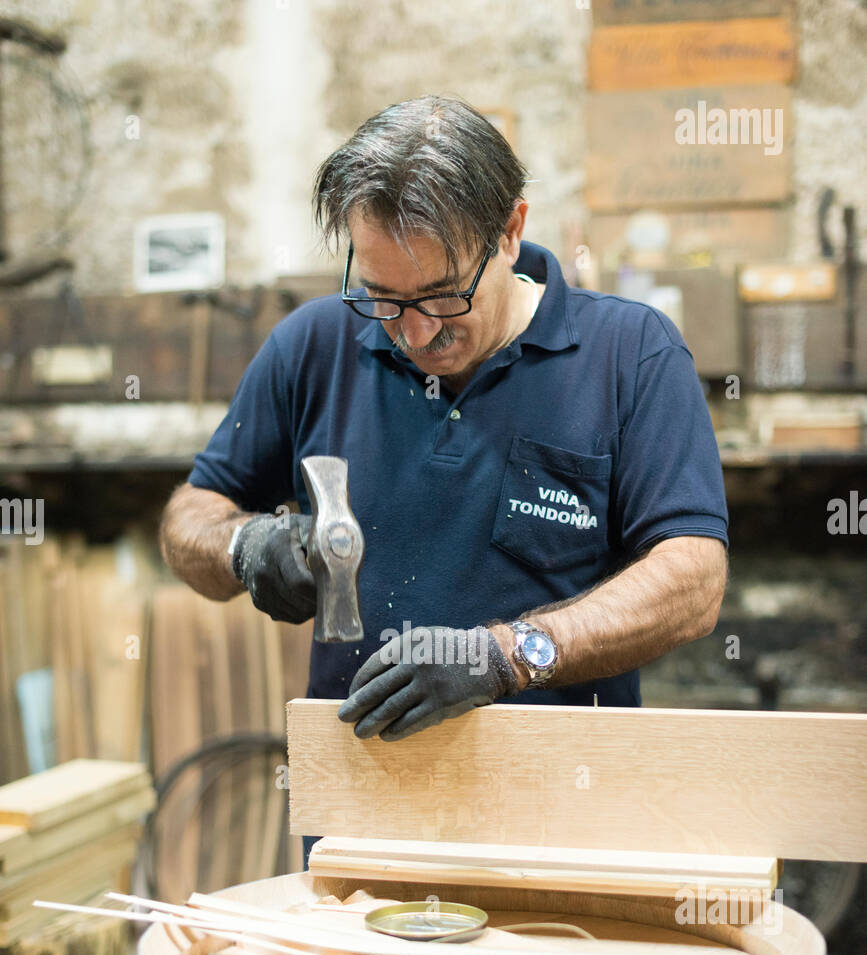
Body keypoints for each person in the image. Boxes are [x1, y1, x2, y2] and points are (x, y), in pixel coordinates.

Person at [161, 95, 728, 762]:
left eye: (443, 295)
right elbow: (189, 517)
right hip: (365, 799)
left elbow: (692, 581)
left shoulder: (628, 353)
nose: (416, 332)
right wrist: (244, 548)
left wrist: (503, 658)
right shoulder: (311, 347)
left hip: (566, 799)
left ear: (510, 230)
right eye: (382, 297)